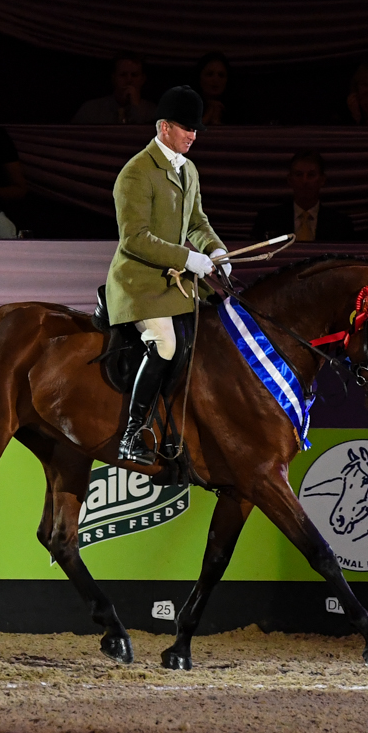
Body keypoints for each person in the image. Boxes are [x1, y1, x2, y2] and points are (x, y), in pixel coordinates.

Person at [106, 86, 228, 465]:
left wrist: (215, 249)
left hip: (172, 279)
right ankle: (132, 434)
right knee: (165, 344)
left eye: (195, 129)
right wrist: (188, 259)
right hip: (138, 281)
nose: (193, 135)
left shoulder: (188, 169)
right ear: (163, 127)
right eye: (187, 128)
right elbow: (135, 239)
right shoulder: (136, 173)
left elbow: (197, 221)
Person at [250, 150, 355, 243]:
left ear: (322, 180)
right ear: (290, 180)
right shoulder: (268, 220)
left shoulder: (340, 224)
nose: (304, 181)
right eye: (299, 174)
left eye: (311, 175)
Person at [72, 51, 157, 125]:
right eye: (123, 75)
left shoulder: (153, 113)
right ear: (113, 78)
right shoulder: (90, 110)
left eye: (134, 75)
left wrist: (136, 108)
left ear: (142, 79)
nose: (129, 80)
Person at [194, 51, 252, 126]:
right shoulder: (187, 105)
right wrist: (208, 115)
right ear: (200, 78)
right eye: (210, 74)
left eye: (221, 75)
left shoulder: (240, 109)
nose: (215, 80)